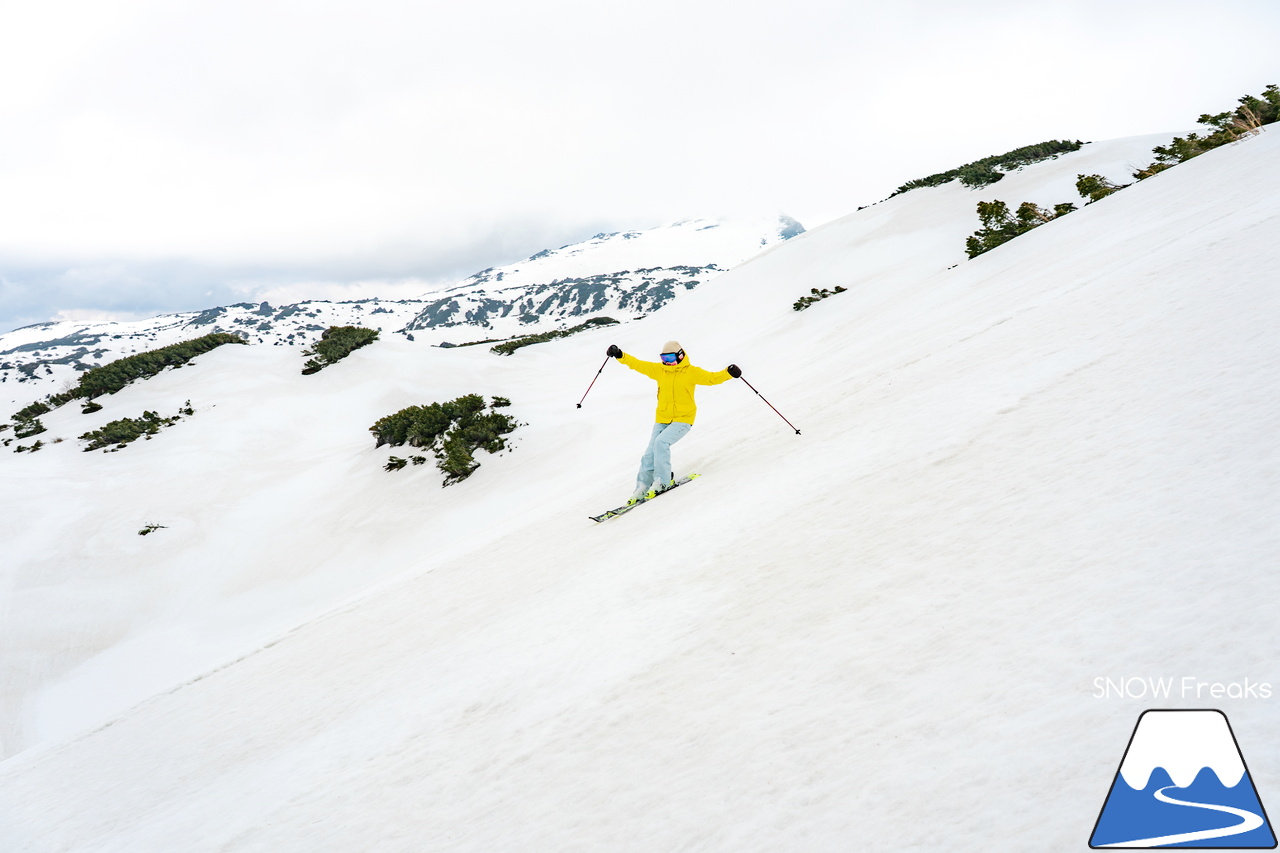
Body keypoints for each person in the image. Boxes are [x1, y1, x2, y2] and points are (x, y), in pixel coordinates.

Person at [606, 340, 741, 504]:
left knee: (661, 442)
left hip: (683, 419)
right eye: (664, 358)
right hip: (662, 418)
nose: (667, 363)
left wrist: (729, 372)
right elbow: (637, 364)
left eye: (670, 358)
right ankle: (642, 486)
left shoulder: (691, 372)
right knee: (650, 452)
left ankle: (663, 481)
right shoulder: (659, 370)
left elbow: (712, 379)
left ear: (680, 356)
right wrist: (620, 355)